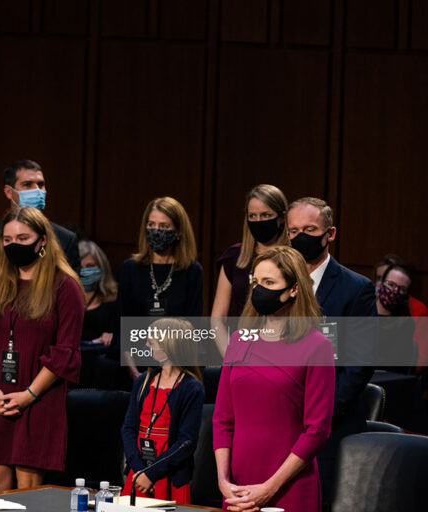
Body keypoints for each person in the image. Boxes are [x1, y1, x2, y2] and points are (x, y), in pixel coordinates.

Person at [0, 207, 84, 491]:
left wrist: (29, 395)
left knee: (27, 492)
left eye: (22, 238)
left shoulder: (64, 286)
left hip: (39, 398)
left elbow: (65, 353)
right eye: (7, 240)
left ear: (42, 240)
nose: (14, 245)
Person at [213, 246, 335, 512]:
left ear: (294, 289)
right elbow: (222, 419)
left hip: (289, 485)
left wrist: (269, 488)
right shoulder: (239, 340)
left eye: (268, 283)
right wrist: (223, 481)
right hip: (237, 487)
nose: (259, 290)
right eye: (255, 282)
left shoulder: (317, 346)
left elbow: (317, 431)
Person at [286, 197, 376, 505]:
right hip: (278, 423)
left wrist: (317, 416)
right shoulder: (276, 283)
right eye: (294, 231)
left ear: (330, 234)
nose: (301, 237)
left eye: (310, 230)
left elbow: (360, 365)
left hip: (328, 430)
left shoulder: (356, 288)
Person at [0, 159, 79, 327]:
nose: (37, 190)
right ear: (9, 192)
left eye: (41, 185)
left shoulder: (65, 239)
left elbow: (72, 300)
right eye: (28, 185)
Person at [116, 197, 203, 380]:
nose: (156, 231)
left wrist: (172, 375)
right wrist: (134, 373)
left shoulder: (192, 271)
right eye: (151, 225)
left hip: (177, 366)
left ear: (178, 232)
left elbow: (192, 328)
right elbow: (122, 326)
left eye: (164, 226)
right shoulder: (131, 268)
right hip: (134, 365)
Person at [121, 317, 204, 503]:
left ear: (169, 347)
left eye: (151, 342)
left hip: (168, 472)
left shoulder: (191, 388)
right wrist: (140, 471)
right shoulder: (143, 381)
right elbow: (128, 428)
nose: (146, 346)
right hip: (139, 472)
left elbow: (186, 442)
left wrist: (152, 473)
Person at [212, 184, 288, 318]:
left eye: (265, 215)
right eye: (252, 216)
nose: (258, 221)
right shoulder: (233, 257)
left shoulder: (294, 258)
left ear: (282, 217)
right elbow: (217, 318)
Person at [374, 254, 428, 373]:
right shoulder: (364, 307)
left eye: (402, 289)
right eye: (391, 284)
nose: (394, 291)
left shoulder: (406, 322)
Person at [79, 240, 118, 345]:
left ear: (101, 267)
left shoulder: (116, 299)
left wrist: (114, 335)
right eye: (79, 267)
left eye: (90, 266)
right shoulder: (62, 299)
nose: (84, 272)